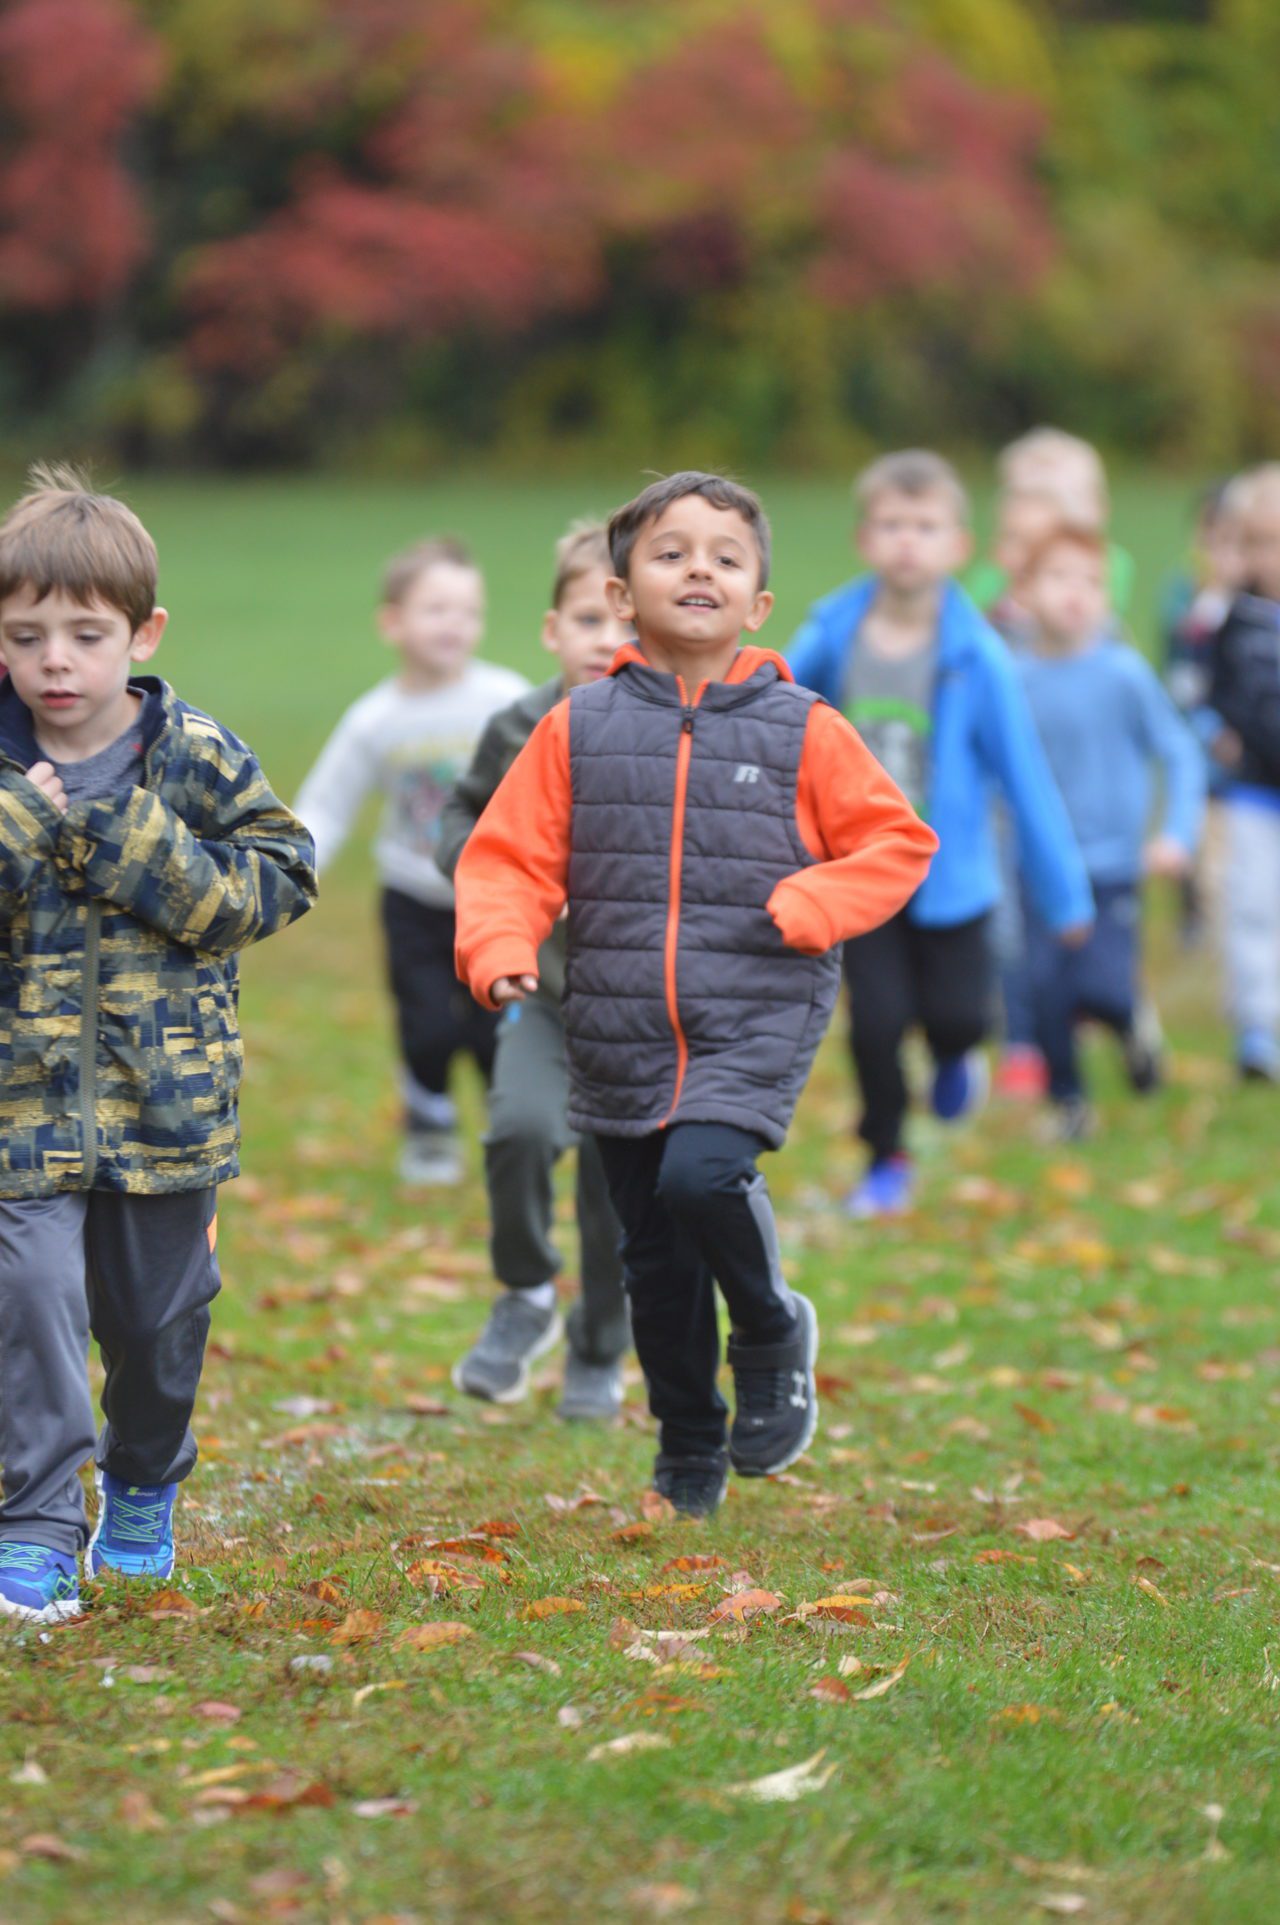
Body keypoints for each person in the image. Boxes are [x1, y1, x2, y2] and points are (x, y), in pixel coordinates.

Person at [454, 472, 936, 1515]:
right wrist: (498, 942)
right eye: (669, 552)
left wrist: (814, 899)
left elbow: (896, 842)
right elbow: (505, 857)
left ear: (758, 601)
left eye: (723, 554)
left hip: (753, 1000)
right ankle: (686, 1446)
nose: (698, 568)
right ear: (621, 595)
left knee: (701, 1176)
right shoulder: (575, 727)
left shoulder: (803, 727)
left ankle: (767, 1325)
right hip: (616, 1013)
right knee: (651, 1255)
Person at [0, 466, 315, 1622]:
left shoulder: (191, 757)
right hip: (17, 1106)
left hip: (165, 1103)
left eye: (86, 634)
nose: (55, 662)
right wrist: (20, 828)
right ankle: (33, 1519)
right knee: (27, 1299)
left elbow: (279, 880)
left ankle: (141, 1479)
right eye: (26, 634)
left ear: (142, 631)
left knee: (153, 1323)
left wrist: (135, 847)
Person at [788, 450, 1093, 1219]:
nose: (907, 542)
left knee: (958, 1017)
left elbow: (1026, 778)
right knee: (877, 1025)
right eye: (892, 524)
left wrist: (1065, 894)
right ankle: (885, 1157)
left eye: (925, 526)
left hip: (953, 879)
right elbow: (777, 708)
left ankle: (959, 1058)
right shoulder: (832, 632)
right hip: (861, 873)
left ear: (959, 545)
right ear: (865, 538)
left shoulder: (977, 655)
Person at [436, 524, 631, 1420]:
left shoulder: (667, 725)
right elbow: (464, 824)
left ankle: (598, 1346)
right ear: (552, 629)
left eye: (622, 619)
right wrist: (497, 894)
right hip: (543, 997)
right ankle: (525, 1291)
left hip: (639, 1012)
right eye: (588, 617)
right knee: (516, 1129)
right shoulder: (517, 725)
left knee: (610, 1188)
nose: (606, 639)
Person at [294, 538, 527, 1184]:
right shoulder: (375, 719)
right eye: (436, 609)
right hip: (412, 900)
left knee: (492, 1033)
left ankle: (502, 1131)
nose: (455, 623)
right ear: (392, 621)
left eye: (468, 610)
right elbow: (326, 804)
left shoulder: (506, 698)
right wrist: (289, 864)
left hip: (492, 904)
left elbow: (555, 779)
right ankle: (428, 1124)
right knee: (425, 1026)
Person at [1016, 523, 1205, 1137]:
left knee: (1100, 987)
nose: (1076, 593)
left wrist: (1177, 833)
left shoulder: (1123, 673)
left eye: (1092, 582)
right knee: (1046, 989)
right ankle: (1069, 1105)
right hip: (1042, 866)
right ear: (1024, 593)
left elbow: (1179, 750)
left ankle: (1131, 1025)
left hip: (1115, 865)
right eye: (1059, 578)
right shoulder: (1013, 678)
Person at [1207, 464, 1280, 1082]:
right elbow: (1218, 689)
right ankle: (1258, 1025)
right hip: (1255, 791)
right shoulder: (1239, 618)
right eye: (1259, 541)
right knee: (1254, 905)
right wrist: (1221, 732)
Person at [1159, 480, 1247, 948]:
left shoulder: (1257, 607)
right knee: (1203, 850)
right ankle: (1196, 916)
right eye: (1213, 540)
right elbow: (1180, 681)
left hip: (1254, 756)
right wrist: (1210, 729)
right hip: (1204, 752)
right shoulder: (1185, 605)